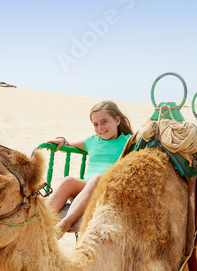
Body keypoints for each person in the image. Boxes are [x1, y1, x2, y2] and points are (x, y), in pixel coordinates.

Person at [45, 100, 133, 236]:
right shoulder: (91, 141)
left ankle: (66, 223)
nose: (100, 127)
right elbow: (67, 144)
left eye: (104, 122)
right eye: (95, 124)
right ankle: (40, 221)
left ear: (117, 121)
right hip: (85, 194)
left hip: (110, 194)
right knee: (68, 181)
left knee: (97, 178)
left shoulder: (128, 141)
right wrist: (62, 139)